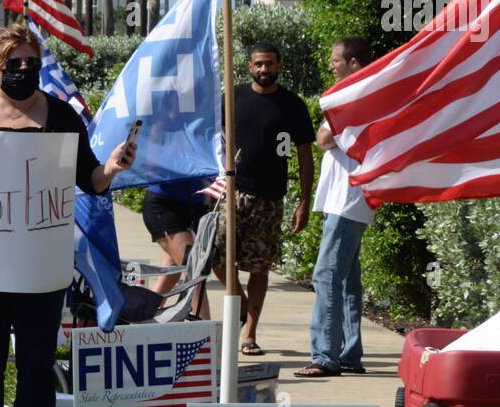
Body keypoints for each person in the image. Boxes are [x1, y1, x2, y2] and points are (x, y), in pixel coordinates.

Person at [0, 22, 136, 407]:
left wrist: (112, 167)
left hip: (41, 266)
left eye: (32, 62)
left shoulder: (62, 116)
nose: (24, 70)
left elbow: (91, 180)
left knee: (36, 366)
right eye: (15, 63)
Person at [213, 42, 314, 356]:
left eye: (269, 64)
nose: (264, 69)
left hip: (270, 199)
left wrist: (305, 201)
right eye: (258, 64)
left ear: (279, 66)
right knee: (215, 257)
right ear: (249, 67)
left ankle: (250, 333)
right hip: (232, 193)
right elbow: (210, 137)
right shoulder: (232, 97)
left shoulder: (292, 105)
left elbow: (305, 155)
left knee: (260, 268)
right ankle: (242, 303)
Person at [295, 37, 375, 378]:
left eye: (336, 59)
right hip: (350, 200)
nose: (331, 64)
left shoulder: (357, 96)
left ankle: (325, 356)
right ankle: (349, 353)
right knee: (346, 280)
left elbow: (323, 138)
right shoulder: (364, 94)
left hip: (348, 199)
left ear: (353, 62)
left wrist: (325, 129)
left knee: (326, 275)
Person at [141, 179, 214, 317]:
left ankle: (141, 319)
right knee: (195, 271)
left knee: (170, 275)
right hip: (164, 205)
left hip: (195, 206)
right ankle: (204, 326)